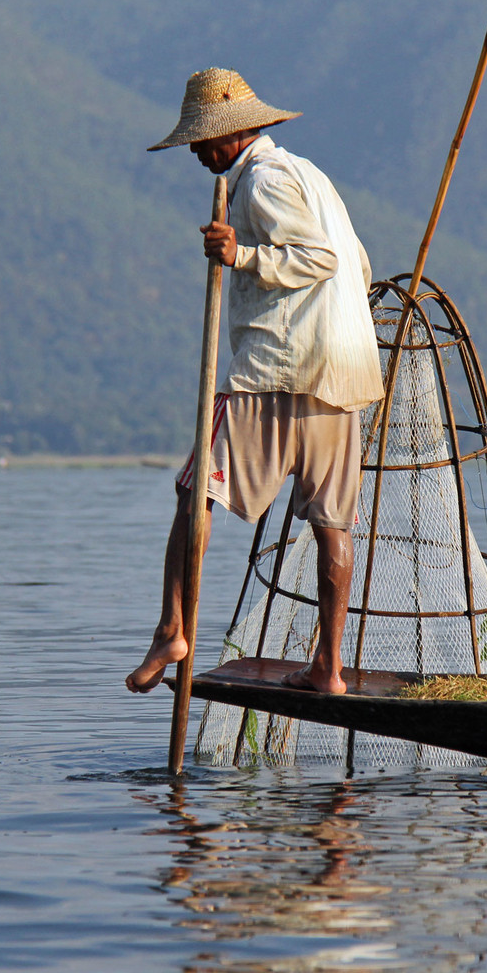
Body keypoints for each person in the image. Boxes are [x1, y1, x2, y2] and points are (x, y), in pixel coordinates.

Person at [126, 67, 383, 696]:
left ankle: (172, 626)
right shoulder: (312, 177)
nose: (193, 151)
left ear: (229, 135)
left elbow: (318, 258)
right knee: (332, 525)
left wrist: (240, 255)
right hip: (342, 376)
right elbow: (357, 265)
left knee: (195, 493)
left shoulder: (263, 182)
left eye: (198, 140)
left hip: (274, 372)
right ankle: (329, 668)